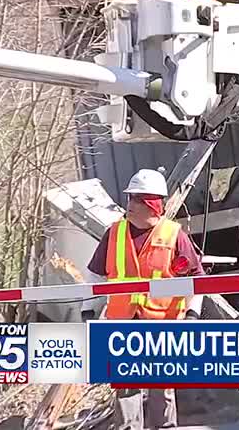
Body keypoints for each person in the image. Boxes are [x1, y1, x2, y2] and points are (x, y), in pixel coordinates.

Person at [82, 168, 205, 430]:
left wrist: (192, 314)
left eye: (136, 200)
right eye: (130, 199)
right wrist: (88, 311)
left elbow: (197, 279)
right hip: (123, 322)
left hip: (163, 324)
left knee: (162, 386)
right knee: (126, 386)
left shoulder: (174, 235)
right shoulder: (114, 233)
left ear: (152, 205)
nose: (130, 205)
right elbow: (94, 275)